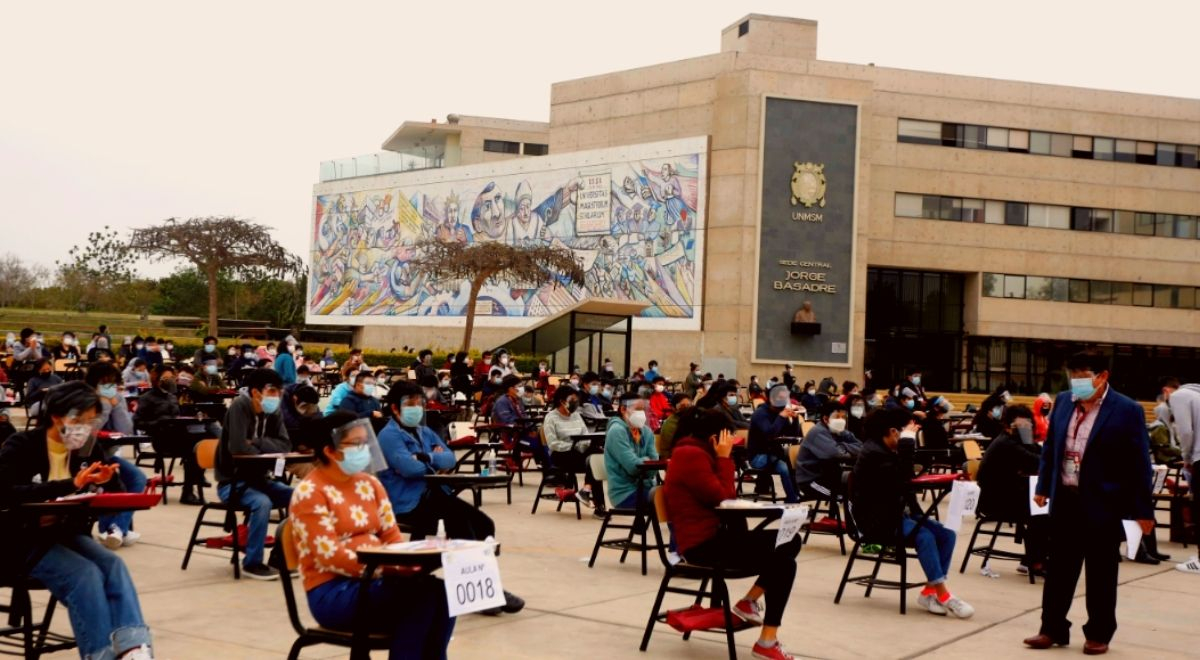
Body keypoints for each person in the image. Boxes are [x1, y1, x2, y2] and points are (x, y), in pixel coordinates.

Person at [0, 381, 155, 659]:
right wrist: (71, 484)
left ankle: (134, 648)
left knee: (113, 564)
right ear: (57, 417)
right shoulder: (21, 445)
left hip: (65, 534)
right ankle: (99, 654)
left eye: (90, 420)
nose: (84, 427)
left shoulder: (88, 450)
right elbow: (7, 493)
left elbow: (110, 502)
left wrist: (110, 483)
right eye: (78, 420)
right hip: (20, 541)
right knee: (85, 575)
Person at [289, 411, 455, 660]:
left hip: (377, 580)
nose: (364, 449)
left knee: (443, 593)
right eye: (356, 444)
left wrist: (407, 562)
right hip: (332, 591)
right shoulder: (310, 493)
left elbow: (391, 536)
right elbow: (330, 555)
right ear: (329, 451)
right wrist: (386, 568)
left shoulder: (370, 484)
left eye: (366, 442)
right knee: (420, 598)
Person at [1026, 352, 1154, 654]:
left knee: (1101, 573)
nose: (1077, 382)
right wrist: (1044, 485)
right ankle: (1052, 628)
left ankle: (1099, 633)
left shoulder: (1127, 409)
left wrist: (1142, 510)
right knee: (1059, 570)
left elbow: (1139, 464)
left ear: (1102, 376)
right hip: (1066, 499)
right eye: (1073, 375)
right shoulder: (1063, 401)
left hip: (1103, 503)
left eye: (1083, 375)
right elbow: (1052, 448)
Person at [663, 407, 802, 660]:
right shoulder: (690, 455)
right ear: (715, 438)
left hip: (718, 537)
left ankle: (750, 604)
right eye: (729, 438)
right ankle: (766, 642)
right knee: (784, 562)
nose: (733, 443)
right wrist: (724, 458)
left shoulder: (700, 453)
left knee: (790, 540)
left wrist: (721, 459)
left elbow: (724, 497)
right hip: (702, 546)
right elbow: (724, 497)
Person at [375, 383, 525, 614]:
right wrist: (431, 460)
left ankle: (485, 585)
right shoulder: (389, 436)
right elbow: (410, 469)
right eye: (410, 404)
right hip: (408, 502)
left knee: (484, 524)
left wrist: (425, 457)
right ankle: (481, 595)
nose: (416, 408)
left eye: (419, 403)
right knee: (462, 528)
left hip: (435, 494)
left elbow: (449, 459)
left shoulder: (425, 431)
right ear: (395, 408)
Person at [853, 408, 975, 618]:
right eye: (905, 433)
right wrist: (907, 442)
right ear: (893, 432)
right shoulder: (873, 452)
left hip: (899, 513)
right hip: (878, 520)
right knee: (925, 537)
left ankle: (929, 591)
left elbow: (906, 480)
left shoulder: (888, 449)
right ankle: (943, 594)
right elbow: (904, 476)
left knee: (946, 535)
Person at [214, 368, 294, 580]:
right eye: (272, 391)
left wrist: (257, 443)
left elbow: (285, 444)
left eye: (279, 391)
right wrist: (268, 448)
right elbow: (238, 448)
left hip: (261, 479)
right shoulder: (240, 406)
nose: (276, 396)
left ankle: (281, 556)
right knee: (263, 503)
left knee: (299, 498)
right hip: (232, 483)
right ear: (256, 392)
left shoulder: (273, 412)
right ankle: (252, 563)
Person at [976, 405, 1049, 576]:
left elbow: (1042, 454)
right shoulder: (1005, 443)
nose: (1027, 427)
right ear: (1009, 425)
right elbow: (1036, 461)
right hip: (994, 500)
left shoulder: (1018, 439)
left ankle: (1033, 558)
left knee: (1045, 508)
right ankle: (1035, 561)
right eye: (1022, 424)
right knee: (1041, 513)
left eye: (1029, 424)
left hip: (1011, 493)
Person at [85, 362, 150, 547]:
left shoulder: (117, 398)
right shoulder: (84, 399)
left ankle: (117, 528)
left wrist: (117, 406)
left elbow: (125, 430)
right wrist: (104, 407)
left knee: (137, 478)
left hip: (108, 453)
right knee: (112, 482)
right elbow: (90, 429)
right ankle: (115, 530)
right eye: (105, 383)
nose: (109, 387)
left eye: (113, 383)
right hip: (86, 455)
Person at [135, 364, 210, 505]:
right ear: (157, 379)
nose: (169, 381)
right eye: (165, 378)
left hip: (179, 435)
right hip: (161, 438)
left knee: (202, 441)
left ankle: (193, 483)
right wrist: (159, 422)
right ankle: (191, 486)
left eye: (171, 378)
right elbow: (138, 423)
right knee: (192, 448)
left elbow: (177, 416)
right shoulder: (147, 398)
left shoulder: (172, 397)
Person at [541, 385, 603, 512]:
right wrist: (573, 446)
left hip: (579, 452)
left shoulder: (576, 415)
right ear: (562, 401)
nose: (575, 403)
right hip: (560, 455)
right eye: (572, 400)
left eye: (576, 400)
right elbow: (552, 443)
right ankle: (596, 503)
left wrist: (581, 446)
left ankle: (586, 491)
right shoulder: (551, 417)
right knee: (594, 463)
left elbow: (585, 435)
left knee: (596, 456)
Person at [1165, 379, 1200, 575]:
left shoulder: (1179, 396)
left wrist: (1186, 457)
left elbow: (1185, 431)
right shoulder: (1197, 394)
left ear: (1166, 391)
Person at [794, 400, 862, 501]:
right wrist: (845, 450)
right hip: (812, 480)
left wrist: (842, 446)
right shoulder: (818, 432)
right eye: (837, 417)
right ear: (826, 419)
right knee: (846, 497)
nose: (841, 420)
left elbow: (861, 447)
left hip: (829, 475)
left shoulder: (839, 431)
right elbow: (835, 453)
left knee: (857, 489)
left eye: (843, 417)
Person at [747, 385, 802, 503]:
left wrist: (795, 418)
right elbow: (769, 434)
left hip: (774, 452)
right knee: (784, 468)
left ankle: (796, 495)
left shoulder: (780, 412)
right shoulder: (760, 414)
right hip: (758, 456)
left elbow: (792, 433)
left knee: (793, 464)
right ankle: (792, 501)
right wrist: (782, 417)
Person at [603, 392, 658, 509]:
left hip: (647, 487)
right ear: (623, 409)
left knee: (678, 496)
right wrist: (647, 461)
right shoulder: (617, 431)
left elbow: (654, 466)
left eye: (643, 409)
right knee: (670, 498)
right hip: (624, 493)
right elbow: (633, 467)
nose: (642, 413)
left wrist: (644, 462)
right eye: (637, 409)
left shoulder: (646, 432)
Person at [492, 375, 548, 466]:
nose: (521, 388)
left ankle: (546, 467)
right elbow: (507, 421)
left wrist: (532, 427)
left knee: (545, 439)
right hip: (512, 435)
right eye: (519, 386)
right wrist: (526, 428)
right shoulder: (502, 402)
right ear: (510, 388)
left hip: (523, 431)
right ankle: (547, 468)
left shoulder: (517, 400)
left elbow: (524, 416)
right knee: (539, 445)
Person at [656, 394, 692, 459]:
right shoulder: (670, 424)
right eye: (682, 406)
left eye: (689, 405)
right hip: (672, 457)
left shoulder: (690, 419)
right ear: (673, 408)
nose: (686, 408)